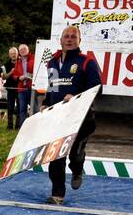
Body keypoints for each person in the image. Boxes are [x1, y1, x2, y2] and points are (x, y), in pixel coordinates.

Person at [42, 25, 101, 205]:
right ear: (60, 40)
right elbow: (52, 87)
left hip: (81, 120)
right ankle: (57, 194)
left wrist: (76, 98)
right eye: (66, 36)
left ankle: (77, 169)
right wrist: (45, 102)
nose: (69, 39)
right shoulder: (52, 62)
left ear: (79, 40)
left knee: (74, 155)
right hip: (58, 120)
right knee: (55, 159)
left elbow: (97, 90)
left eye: (73, 37)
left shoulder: (87, 62)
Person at [9, 43, 33, 128]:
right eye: (21, 50)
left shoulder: (34, 58)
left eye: (24, 49)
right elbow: (14, 75)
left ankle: (33, 127)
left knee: (34, 109)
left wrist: (31, 75)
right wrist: (19, 78)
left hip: (31, 88)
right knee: (22, 109)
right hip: (21, 89)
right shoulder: (18, 62)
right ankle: (22, 127)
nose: (22, 51)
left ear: (28, 49)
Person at [2, 46, 19, 129]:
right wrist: (11, 72)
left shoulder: (21, 62)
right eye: (11, 53)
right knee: (10, 107)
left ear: (17, 54)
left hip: (20, 88)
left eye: (14, 53)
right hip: (10, 88)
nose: (13, 55)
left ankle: (18, 125)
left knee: (19, 107)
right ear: (9, 55)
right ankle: (10, 125)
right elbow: (4, 77)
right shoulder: (6, 65)